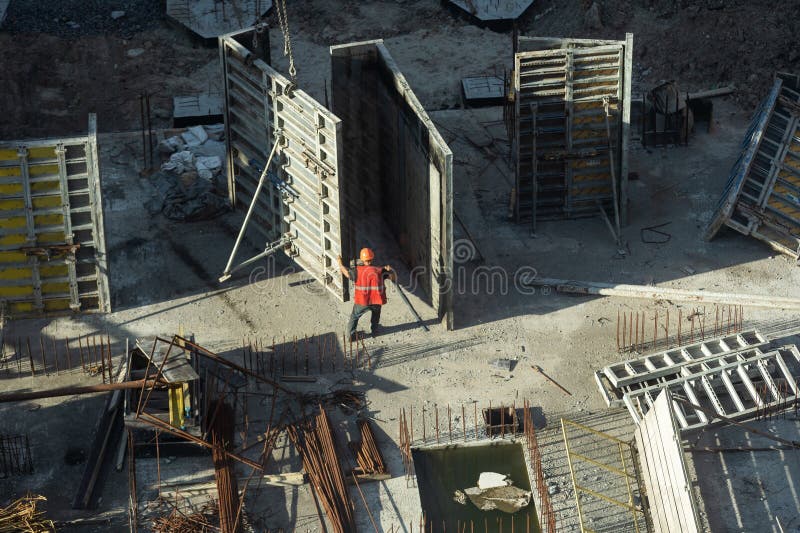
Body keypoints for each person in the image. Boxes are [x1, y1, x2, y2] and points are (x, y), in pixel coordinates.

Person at [338, 247, 396, 340]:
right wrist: (390, 270)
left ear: (362, 259)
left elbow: (346, 273)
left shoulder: (357, 270)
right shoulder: (379, 270)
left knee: (355, 316)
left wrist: (340, 263)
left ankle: (350, 335)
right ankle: (374, 331)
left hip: (362, 301)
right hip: (377, 301)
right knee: (376, 314)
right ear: (372, 258)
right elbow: (393, 278)